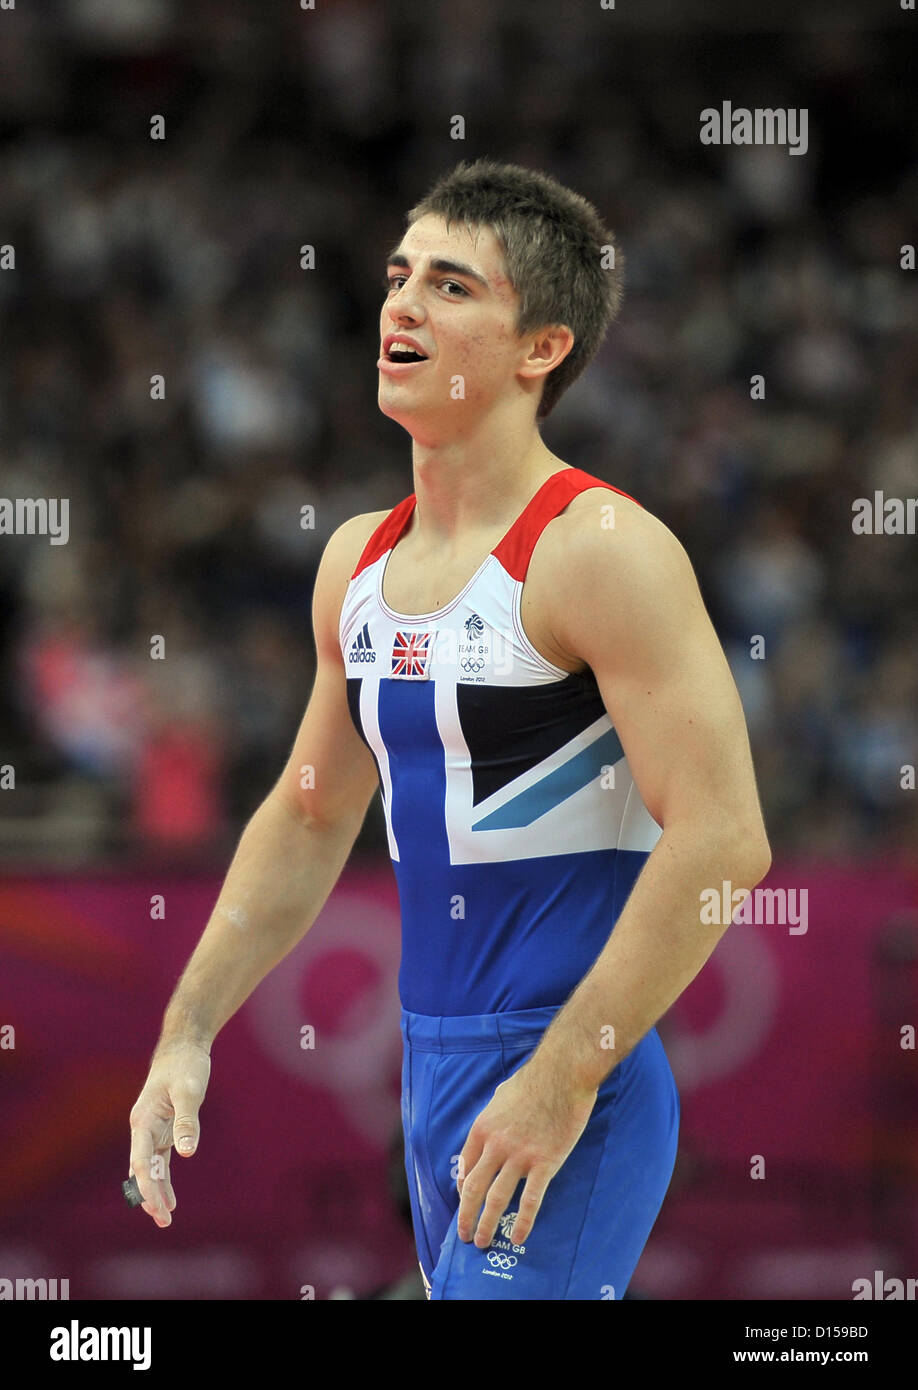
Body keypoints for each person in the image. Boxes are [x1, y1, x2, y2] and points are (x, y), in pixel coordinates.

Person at [128, 158, 771, 1300]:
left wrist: (563, 1078)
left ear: (543, 348)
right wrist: (189, 1025)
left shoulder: (598, 549)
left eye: (452, 286)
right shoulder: (358, 564)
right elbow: (313, 809)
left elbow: (723, 840)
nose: (403, 305)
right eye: (397, 275)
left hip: (571, 1074)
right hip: (433, 1082)